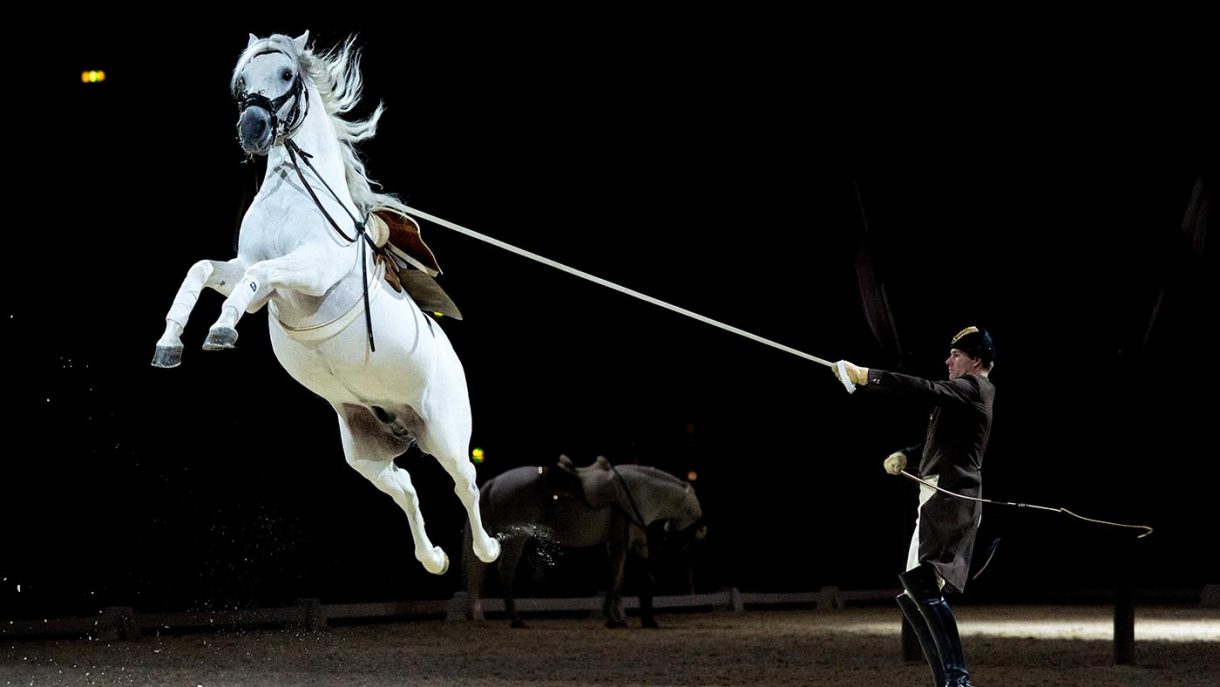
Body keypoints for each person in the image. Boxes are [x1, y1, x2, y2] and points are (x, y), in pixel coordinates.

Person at [833, 326, 995, 687]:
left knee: (922, 588)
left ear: (976, 361)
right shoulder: (963, 395)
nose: (948, 359)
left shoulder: (973, 388)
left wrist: (867, 376)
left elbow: (923, 388)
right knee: (913, 595)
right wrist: (907, 455)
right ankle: (948, 680)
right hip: (936, 498)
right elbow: (936, 444)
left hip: (949, 501)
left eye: (956, 354)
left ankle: (957, 679)